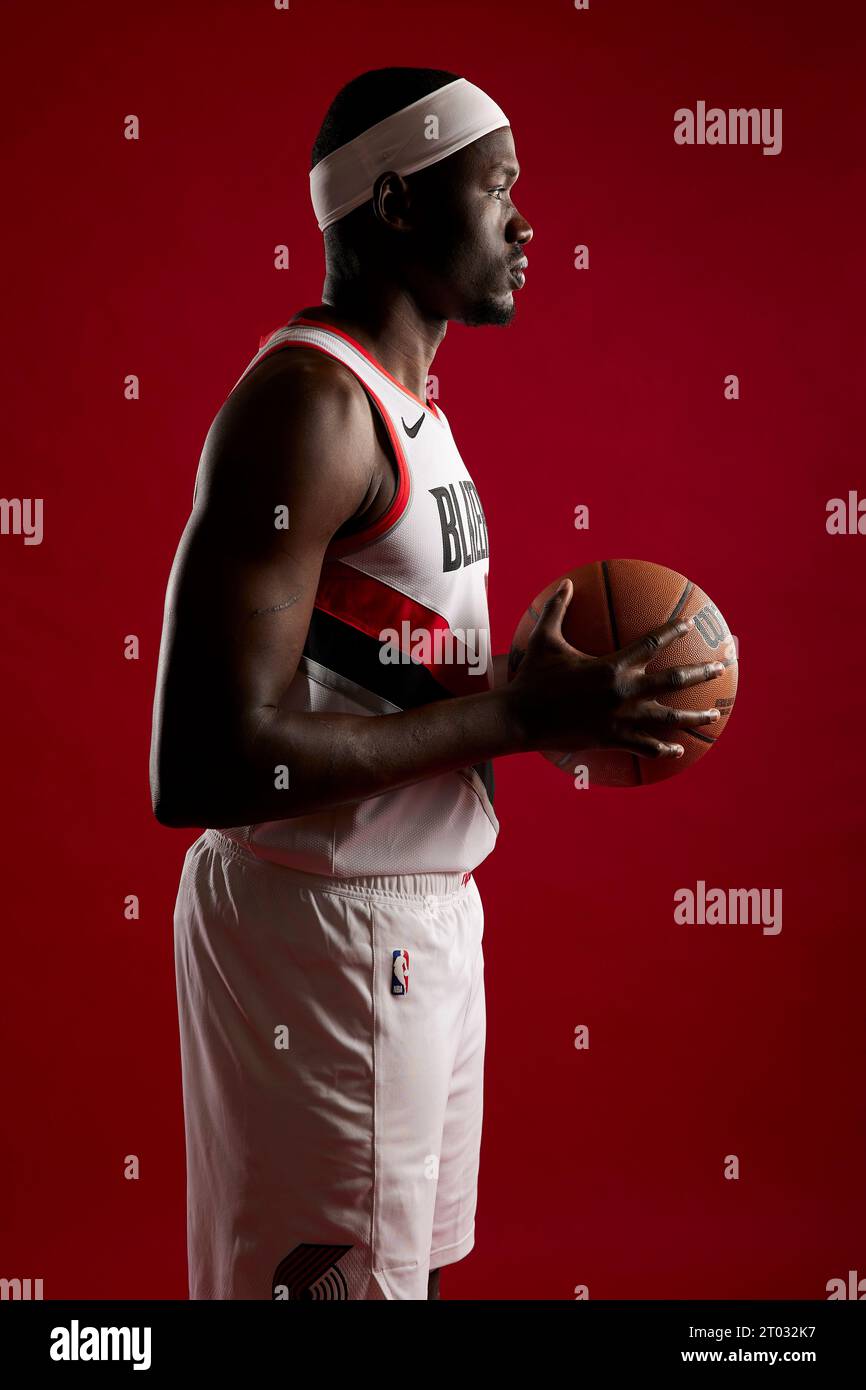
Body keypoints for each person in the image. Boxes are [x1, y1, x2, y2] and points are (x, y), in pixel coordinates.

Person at [150, 66, 723, 1301]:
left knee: (395, 1282)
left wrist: (517, 684)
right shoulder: (308, 408)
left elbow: (359, 662)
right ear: (399, 202)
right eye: (498, 185)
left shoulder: (407, 408)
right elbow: (204, 761)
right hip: (327, 935)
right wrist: (518, 714)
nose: (525, 222)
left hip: (415, 918)